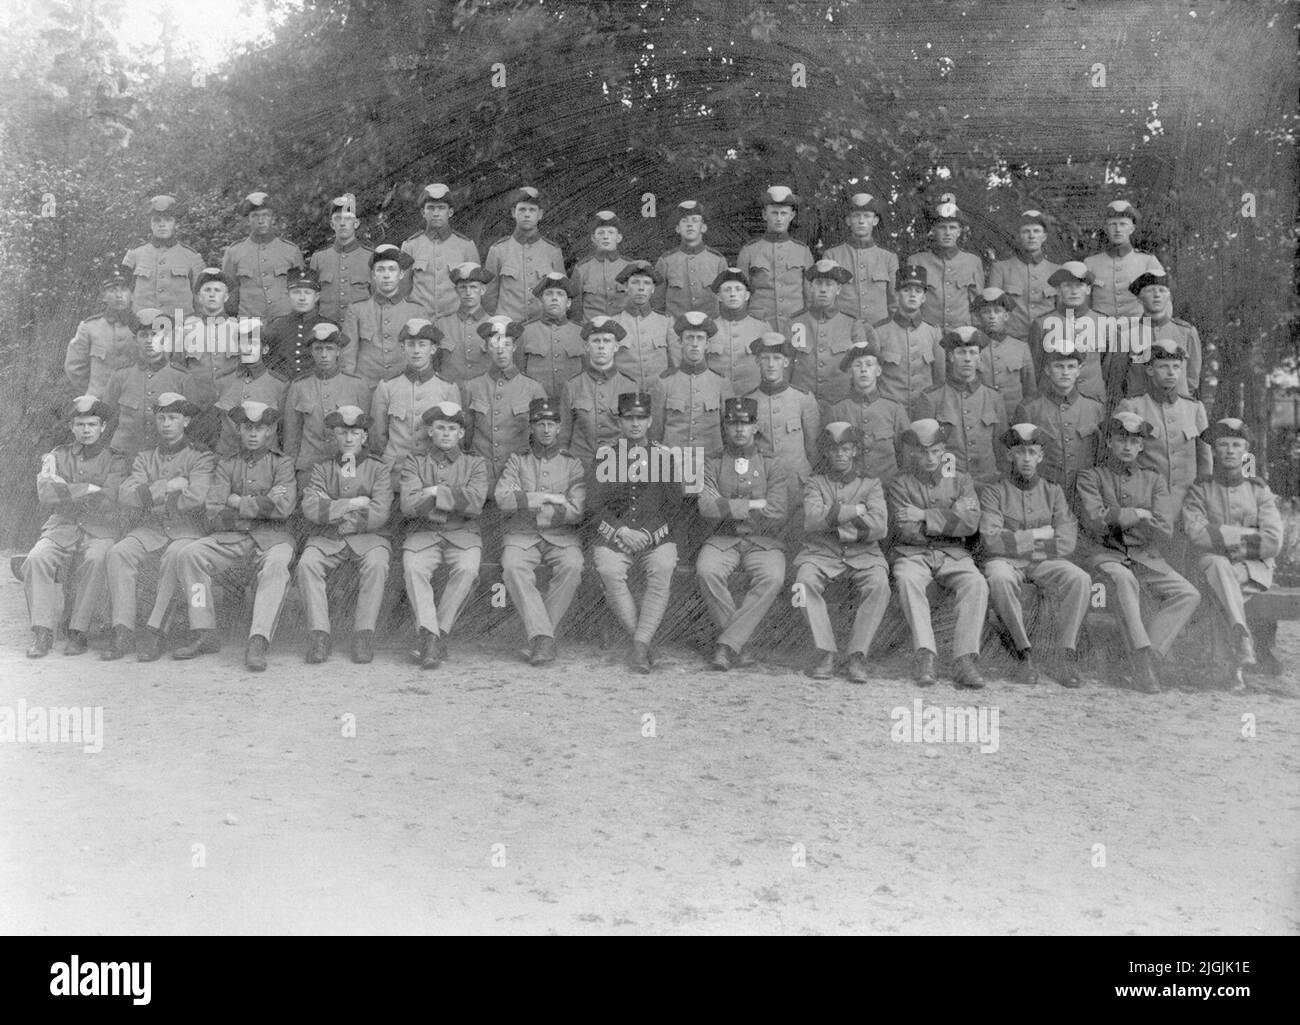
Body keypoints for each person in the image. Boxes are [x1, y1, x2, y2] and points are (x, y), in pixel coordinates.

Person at [149, 401, 296, 670]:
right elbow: (214, 511)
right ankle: (203, 630)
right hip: (231, 537)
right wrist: (262, 503)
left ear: (270, 431)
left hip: (273, 539)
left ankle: (258, 640)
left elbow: (283, 509)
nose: (252, 434)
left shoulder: (283, 464)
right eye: (247, 428)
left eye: (259, 428)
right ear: (239, 430)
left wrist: (237, 501)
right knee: (189, 554)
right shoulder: (226, 464)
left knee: (276, 565)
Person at [1074, 412, 1201, 693]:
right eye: (1121, 439)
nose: (1128, 447)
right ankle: (1141, 660)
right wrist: (1139, 514)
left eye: (1134, 441)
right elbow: (1094, 520)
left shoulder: (1154, 480)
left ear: (1142, 446)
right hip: (1105, 555)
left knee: (1189, 593)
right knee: (1124, 580)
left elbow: (1165, 528)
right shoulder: (1092, 477)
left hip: (1145, 557)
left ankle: (1150, 655)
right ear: (1108, 442)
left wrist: (1118, 516)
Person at [101, 393, 214, 661]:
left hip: (186, 531)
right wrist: (170, 486)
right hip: (150, 530)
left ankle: (155, 631)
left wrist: (149, 493)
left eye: (173, 418)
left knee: (175, 556)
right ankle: (123, 630)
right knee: (119, 552)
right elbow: (125, 494)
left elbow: (197, 497)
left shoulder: (201, 457)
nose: (166, 424)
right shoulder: (145, 457)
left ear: (186, 420)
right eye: (161, 417)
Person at [977, 424, 1090, 687]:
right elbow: (992, 539)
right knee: (1000, 577)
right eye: (1020, 452)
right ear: (1009, 456)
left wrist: (1016, 539)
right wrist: (1039, 534)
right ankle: (1023, 653)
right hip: (1005, 563)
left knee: (1079, 578)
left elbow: (1066, 541)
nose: (1026, 459)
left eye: (1032, 452)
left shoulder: (1053, 492)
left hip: (1044, 563)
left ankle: (1065, 654)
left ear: (1040, 456)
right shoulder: (995, 491)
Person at [1181, 418, 1284, 691]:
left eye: (1236, 445)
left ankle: (1225, 665)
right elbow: (1195, 533)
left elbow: (1273, 541)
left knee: (1220, 581)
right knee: (1218, 566)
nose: (1229, 450)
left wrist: (1224, 537)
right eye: (1223, 445)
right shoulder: (1200, 489)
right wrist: (1245, 534)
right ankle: (1241, 639)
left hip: (1251, 569)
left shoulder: (1259, 491)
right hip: (1214, 565)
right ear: (1213, 451)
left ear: (1245, 451)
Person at [886, 418, 988, 688]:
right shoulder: (900, 483)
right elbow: (907, 530)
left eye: (935, 451)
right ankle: (926, 655)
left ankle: (964, 659)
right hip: (914, 553)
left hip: (953, 554)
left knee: (976, 582)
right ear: (912, 452)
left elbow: (970, 523)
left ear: (944, 450)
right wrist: (950, 518)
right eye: (922, 452)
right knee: (907, 580)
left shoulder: (961, 480)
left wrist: (924, 515)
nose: (930, 458)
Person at [23, 396, 126, 658]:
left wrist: (67, 490)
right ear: (72, 427)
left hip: (99, 528)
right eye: (80, 424)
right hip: (62, 526)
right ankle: (43, 632)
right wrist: (89, 488)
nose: (86, 430)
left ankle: (78, 631)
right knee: (37, 558)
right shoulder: (58, 455)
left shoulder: (115, 459)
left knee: (96, 558)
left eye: (92, 424)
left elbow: (110, 498)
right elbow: (46, 492)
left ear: (103, 427)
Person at [695, 396, 790, 670]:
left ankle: (726, 645)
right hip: (723, 539)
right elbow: (707, 508)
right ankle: (740, 643)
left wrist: (727, 504)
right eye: (733, 423)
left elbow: (777, 511)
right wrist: (753, 505)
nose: (739, 429)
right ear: (725, 426)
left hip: (762, 541)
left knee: (773, 577)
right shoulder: (713, 463)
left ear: (755, 426)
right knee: (706, 571)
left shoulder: (771, 464)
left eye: (745, 423)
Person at [590, 393, 683, 673]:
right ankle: (642, 643)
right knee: (607, 568)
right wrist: (621, 531)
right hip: (616, 537)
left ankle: (638, 644)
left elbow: (674, 508)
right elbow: (594, 507)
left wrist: (646, 533)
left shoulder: (663, 457)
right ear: (619, 421)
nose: (634, 424)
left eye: (640, 418)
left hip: (655, 537)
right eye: (628, 417)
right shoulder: (606, 456)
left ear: (650, 421)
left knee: (663, 566)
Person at [296, 405, 394, 664]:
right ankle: (319, 634)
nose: (349, 439)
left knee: (377, 563)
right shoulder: (322, 468)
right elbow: (310, 507)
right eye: (342, 433)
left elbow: (379, 512)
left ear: (364, 436)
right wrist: (353, 503)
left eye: (355, 433)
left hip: (368, 538)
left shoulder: (379, 469)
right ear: (334, 436)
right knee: (307, 563)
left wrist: (333, 508)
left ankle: (363, 634)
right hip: (327, 539)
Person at [794, 422, 890, 683]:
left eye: (846, 449)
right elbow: (812, 519)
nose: (840, 455)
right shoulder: (815, 482)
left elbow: (879, 526)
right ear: (826, 453)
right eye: (834, 449)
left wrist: (833, 518)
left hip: (864, 554)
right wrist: (858, 511)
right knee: (802, 584)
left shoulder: (871, 484)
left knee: (880, 584)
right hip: (821, 553)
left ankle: (857, 655)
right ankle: (825, 651)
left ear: (855, 451)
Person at [495, 398, 587, 666]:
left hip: (561, 537)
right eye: (540, 424)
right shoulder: (517, 460)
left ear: (559, 428)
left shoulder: (572, 464)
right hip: (522, 535)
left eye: (552, 424)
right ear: (531, 427)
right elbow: (503, 498)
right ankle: (545, 639)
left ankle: (539, 637)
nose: (546, 430)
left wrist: (527, 501)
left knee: (573, 565)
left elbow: (576, 510)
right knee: (512, 567)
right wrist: (549, 497)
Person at [400, 402, 488, 670]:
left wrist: (434, 491)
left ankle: (437, 634)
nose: (446, 434)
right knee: (414, 567)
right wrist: (454, 497)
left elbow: (475, 504)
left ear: (461, 433)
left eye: (452, 429)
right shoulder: (415, 461)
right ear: (430, 431)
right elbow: (408, 505)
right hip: (424, 534)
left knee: (467, 568)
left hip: (463, 534)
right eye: (440, 428)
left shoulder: (475, 463)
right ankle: (430, 636)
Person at [1114, 340, 1210, 513]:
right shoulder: (1132, 407)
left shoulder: (1194, 408)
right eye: (1163, 367)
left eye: (1176, 366)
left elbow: (1205, 460)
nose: (1171, 373)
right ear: (1150, 370)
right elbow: (1121, 460)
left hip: (1188, 505)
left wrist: (1202, 499)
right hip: (1147, 503)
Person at [369, 319, 462, 492]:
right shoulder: (387, 386)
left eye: (422, 344)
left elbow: (454, 439)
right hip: (395, 474)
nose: (417, 351)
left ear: (433, 349)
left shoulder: (448, 388)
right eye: (411, 344)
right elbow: (377, 437)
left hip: (432, 475)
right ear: (403, 348)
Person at [1013, 339, 1105, 502]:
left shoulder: (1095, 409)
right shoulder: (1029, 409)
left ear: (1079, 371)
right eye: (1059, 366)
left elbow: (1101, 459)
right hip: (1044, 498)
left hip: (1085, 498)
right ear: (1047, 370)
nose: (1065, 372)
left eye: (1071, 367)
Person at [281, 323, 371, 489]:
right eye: (318, 348)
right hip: (310, 468)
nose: (324, 354)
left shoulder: (357, 385)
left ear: (338, 351)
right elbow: (291, 437)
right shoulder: (299, 386)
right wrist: (289, 474)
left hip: (348, 466)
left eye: (329, 349)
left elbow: (366, 436)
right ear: (311, 351)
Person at [913, 327, 1008, 484]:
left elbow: (1002, 450)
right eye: (961, 353)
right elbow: (921, 452)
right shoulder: (931, 398)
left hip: (988, 483)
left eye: (973, 353)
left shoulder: (993, 398)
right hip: (948, 485)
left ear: (979, 358)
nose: (968, 359)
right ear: (950, 357)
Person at [102, 310, 199, 462]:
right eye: (143, 335)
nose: (149, 340)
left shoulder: (182, 378)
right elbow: (106, 419)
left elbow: (192, 426)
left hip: (165, 460)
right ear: (135, 340)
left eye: (155, 334)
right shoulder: (120, 376)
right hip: (123, 457)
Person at [464, 317, 547, 489]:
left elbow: (543, 443)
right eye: (495, 345)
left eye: (507, 344)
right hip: (481, 482)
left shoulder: (533, 388)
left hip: (519, 481)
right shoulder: (472, 387)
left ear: (515, 347)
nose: (501, 351)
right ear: (486, 348)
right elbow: (465, 438)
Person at [747, 333, 819, 514]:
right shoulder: (749, 401)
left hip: (798, 485)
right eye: (765, 358)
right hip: (763, 486)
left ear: (786, 362)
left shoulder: (803, 398)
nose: (771, 364)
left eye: (777, 358)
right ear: (757, 362)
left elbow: (813, 448)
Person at [788, 258, 871, 415]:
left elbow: (862, 368)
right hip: (802, 406)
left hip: (840, 404)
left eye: (830, 284)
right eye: (819, 283)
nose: (823, 289)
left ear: (838, 289)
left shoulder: (852, 324)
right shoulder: (796, 322)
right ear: (811, 287)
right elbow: (787, 366)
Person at [342, 244, 427, 391]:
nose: (386, 275)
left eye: (392, 269)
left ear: (401, 274)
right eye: (380, 270)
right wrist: (350, 389)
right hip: (365, 388)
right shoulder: (356, 310)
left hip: (405, 388)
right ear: (373, 275)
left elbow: (424, 357)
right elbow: (348, 357)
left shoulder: (416, 311)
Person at [650, 311, 733, 460]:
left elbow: (728, 433)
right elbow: (655, 433)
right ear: (680, 342)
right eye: (689, 338)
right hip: (672, 464)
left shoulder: (721, 383)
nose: (695, 344)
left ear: (707, 344)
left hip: (710, 463)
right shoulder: (664, 383)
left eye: (700, 338)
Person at [1109, 272, 1204, 401]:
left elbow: (1192, 380)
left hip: (1176, 409)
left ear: (1169, 297)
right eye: (1150, 291)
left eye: (1162, 290)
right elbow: (1116, 380)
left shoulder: (1186, 332)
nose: (1157, 295)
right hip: (1140, 410)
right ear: (1139, 299)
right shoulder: (1125, 333)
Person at [559, 317, 638, 468]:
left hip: (618, 467)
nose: (601, 346)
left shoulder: (629, 386)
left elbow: (634, 435)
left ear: (616, 347)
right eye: (596, 341)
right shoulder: (572, 386)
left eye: (607, 341)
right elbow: (564, 436)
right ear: (587, 347)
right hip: (580, 466)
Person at [826, 341, 908, 483]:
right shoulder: (836, 410)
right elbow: (827, 455)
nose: (863, 370)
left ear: (878, 371)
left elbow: (906, 454)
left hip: (888, 488)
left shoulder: (894, 408)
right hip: (849, 490)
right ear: (851, 372)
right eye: (858, 365)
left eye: (869, 365)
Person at [1028, 261, 1109, 405]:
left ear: (1089, 289)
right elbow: (1035, 370)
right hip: (1052, 403)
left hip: (1093, 401)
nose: (1074, 291)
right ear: (1058, 290)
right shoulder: (1042, 324)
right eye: (1067, 286)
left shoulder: (1104, 322)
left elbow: (1109, 368)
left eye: (1079, 285)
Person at [736, 185, 814, 332]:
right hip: (758, 325)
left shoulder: (802, 251)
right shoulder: (749, 251)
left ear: (791, 216)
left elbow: (810, 296)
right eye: (774, 213)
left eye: (784, 213)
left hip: (795, 326)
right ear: (765, 215)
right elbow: (740, 296)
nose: (779, 218)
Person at [483, 186, 565, 322]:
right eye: (522, 209)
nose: (527, 214)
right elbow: (489, 297)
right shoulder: (498, 250)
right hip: (508, 328)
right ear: (513, 212)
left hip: (541, 328)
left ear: (540, 214)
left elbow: (561, 294)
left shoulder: (552, 251)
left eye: (532, 210)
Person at [221, 191, 305, 320]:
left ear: (273, 218)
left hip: (285, 323)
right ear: (247, 220)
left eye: (266, 215)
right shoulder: (234, 252)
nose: (261, 221)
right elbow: (228, 293)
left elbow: (302, 291)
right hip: (248, 324)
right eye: (255, 216)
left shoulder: (291, 251)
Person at [873, 264, 945, 411]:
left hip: (924, 410)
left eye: (918, 291)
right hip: (890, 410)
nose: (913, 295)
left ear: (924, 298)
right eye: (906, 290)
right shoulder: (879, 331)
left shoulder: (933, 332)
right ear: (897, 295)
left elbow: (939, 378)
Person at [401, 183, 479, 318]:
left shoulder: (466, 246)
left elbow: (475, 291)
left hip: (455, 324)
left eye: (441, 208)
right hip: (420, 323)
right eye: (430, 208)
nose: (436, 213)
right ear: (423, 212)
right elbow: (403, 290)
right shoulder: (410, 246)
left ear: (450, 212)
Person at [211, 320, 287, 458]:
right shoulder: (223, 380)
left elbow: (285, 430)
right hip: (227, 460)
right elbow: (214, 426)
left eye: (253, 343)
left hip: (265, 463)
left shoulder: (279, 385)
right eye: (243, 343)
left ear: (265, 349)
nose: (247, 348)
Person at [822, 191, 898, 328]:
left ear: (875, 221)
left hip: (880, 331)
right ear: (848, 220)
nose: (861, 221)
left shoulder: (888, 259)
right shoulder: (832, 256)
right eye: (856, 216)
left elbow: (894, 302)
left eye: (867, 216)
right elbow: (825, 301)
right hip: (842, 331)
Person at [122, 194, 205, 319]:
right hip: (144, 329)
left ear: (175, 223)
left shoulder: (192, 256)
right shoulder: (135, 254)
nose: (162, 224)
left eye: (168, 219)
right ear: (150, 223)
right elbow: (123, 295)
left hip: (179, 328)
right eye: (157, 220)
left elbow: (201, 300)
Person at [906, 199, 984, 332]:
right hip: (927, 334)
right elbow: (909, 304)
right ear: (933, 230)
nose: (948, 232)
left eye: (952, 227)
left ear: (959, 231)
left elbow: (977, 305)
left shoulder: (972, 262)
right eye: (942, 227)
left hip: (961, 336)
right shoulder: (916, 261)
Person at [1084, 200, 1164, 320]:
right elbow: (1084, 305)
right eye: (1112, 224)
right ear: (1105, 229)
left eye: (1123, 224)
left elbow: (1164, 301)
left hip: (1138, 331)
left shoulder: (1148, 261)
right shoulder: (1090, 263)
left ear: (1132, 229)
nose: (1118, 229)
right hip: (1100, 331)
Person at [64, 265, 138, 397]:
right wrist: (94, 390)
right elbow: (75, 367)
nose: (119, 295)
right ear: (103, 296)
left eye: (124, 290)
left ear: (132, 295)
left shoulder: (143, 326)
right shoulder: (89, 327)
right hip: (99, 402)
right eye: (112, 290)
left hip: (133, 401)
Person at [987, 209, 1060, 341]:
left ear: (1044, 237)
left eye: (1036, 231)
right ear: (1018, 235)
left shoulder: (1056, 271)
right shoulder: (1000, 269)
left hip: (1047, 343)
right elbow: (993, 311)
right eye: (1026, 231)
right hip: (1012, 342)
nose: (1031, 236)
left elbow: (1065, 311)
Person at [262, 266, 342, 380]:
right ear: (288, 295)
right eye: (296, 292)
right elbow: (268, 364)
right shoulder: (276, 326)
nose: (302, 298)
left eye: (308, 293)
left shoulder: (331, 327)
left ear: (317, 296)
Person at [652, 200, 727, 319]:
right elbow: (657, 303)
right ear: (677, 228)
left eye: (695, 220)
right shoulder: (666, 261)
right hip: (675, 331)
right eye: (684, 221)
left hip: (710, 330)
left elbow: (725, 302)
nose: (689, 225)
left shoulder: (717, 260)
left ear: (703, 228)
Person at [517, 273, 584, 402]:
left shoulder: (581, 334)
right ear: (541, 301)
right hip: (537, 406)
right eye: (549, 294)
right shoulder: (525, 333)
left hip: (573, 404)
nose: (554, 298)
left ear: (569, 303)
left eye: (560, 294)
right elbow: (519, 374)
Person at [972, 287, 1036, 421]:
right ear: (978, 316)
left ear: (1006, 316)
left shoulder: (1021, 348)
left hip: (1014, 418)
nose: (992, 316)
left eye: (997, 311)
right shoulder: (972, 349)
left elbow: (1030, 392)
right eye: (986, 312)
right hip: (982, 417)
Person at [310, 193, 375, 324]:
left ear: (356, 223)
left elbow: (378, 300)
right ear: (332, 224)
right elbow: (311, 302)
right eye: (338, 218)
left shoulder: (371, 257)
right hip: (327, 333)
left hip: (360, 331)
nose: (343, 223)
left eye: (348, 218)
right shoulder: (318, 258)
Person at [614, 261, 678, 391]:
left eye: (647, 283)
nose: (641, 288)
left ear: (653, 289)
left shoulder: (666, 322)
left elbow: (677, 364)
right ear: (626, 287)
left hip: (659, 393)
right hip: (625, 394)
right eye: (635, 282)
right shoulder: (613, 322)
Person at [705, 267, 767, 399]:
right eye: (727, 290)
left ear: (747, 296)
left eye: (738, 289)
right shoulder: (708, 328)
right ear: (719, 297)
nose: (733, 294)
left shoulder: (762, 328)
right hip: (715, 397)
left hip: (752, 397)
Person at [434, 262, 494, 385]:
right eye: (463, 287)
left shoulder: (495, 325)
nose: (468, 292)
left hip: (483, 396)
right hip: (450, 393)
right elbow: (434, 365)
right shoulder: (441, 325)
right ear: (456, 290)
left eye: (473, 287)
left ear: (482, 290)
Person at [570, 210, 632, 320]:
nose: (605, 237)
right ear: (593, 238)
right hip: (592, 334)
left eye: (611, 232)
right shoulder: (582, 269)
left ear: (619, 237)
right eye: (600, 233)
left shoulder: (630, 267)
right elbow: (575, 310)